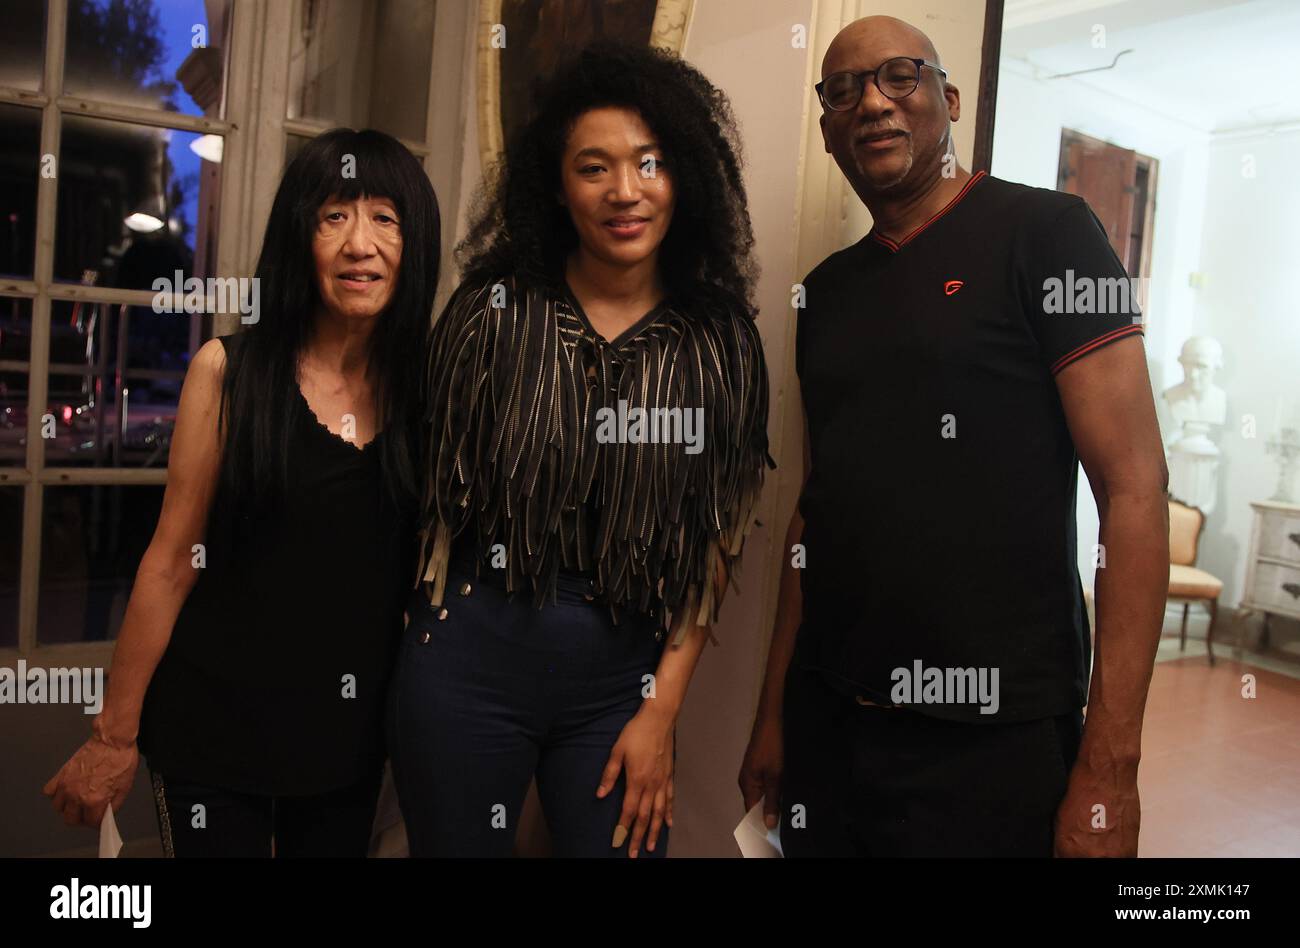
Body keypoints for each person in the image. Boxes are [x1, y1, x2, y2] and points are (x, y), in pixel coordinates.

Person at [739, 16, 1169, 857]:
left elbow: (1134, 491)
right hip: (833, 727)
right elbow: (813, 514)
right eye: (842, 91)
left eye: (899, 76)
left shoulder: (1051, 234)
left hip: (992, 744)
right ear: (826, 130)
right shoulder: (825, 294)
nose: (871, 102)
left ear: (951, 98)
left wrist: (1112, 768)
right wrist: (773, 714)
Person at [389, 42, 772, 858]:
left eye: (650, 163)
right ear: (557, 190)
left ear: (687, 177)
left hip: (621, 689)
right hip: (466, 664)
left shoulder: (723, 343)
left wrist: (661, 711)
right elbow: (423, 499)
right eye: (593, 168)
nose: (624, 191)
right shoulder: (490, 311)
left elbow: (714, 549)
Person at [43, 128, 440, 857]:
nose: (362, 244)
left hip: (346, 750)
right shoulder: (229, 372)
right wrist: (113, 735)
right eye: (334, 217)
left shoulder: (429, 394)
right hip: (212, 737)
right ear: (300, 237)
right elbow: (170, 562)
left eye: (386, 217)